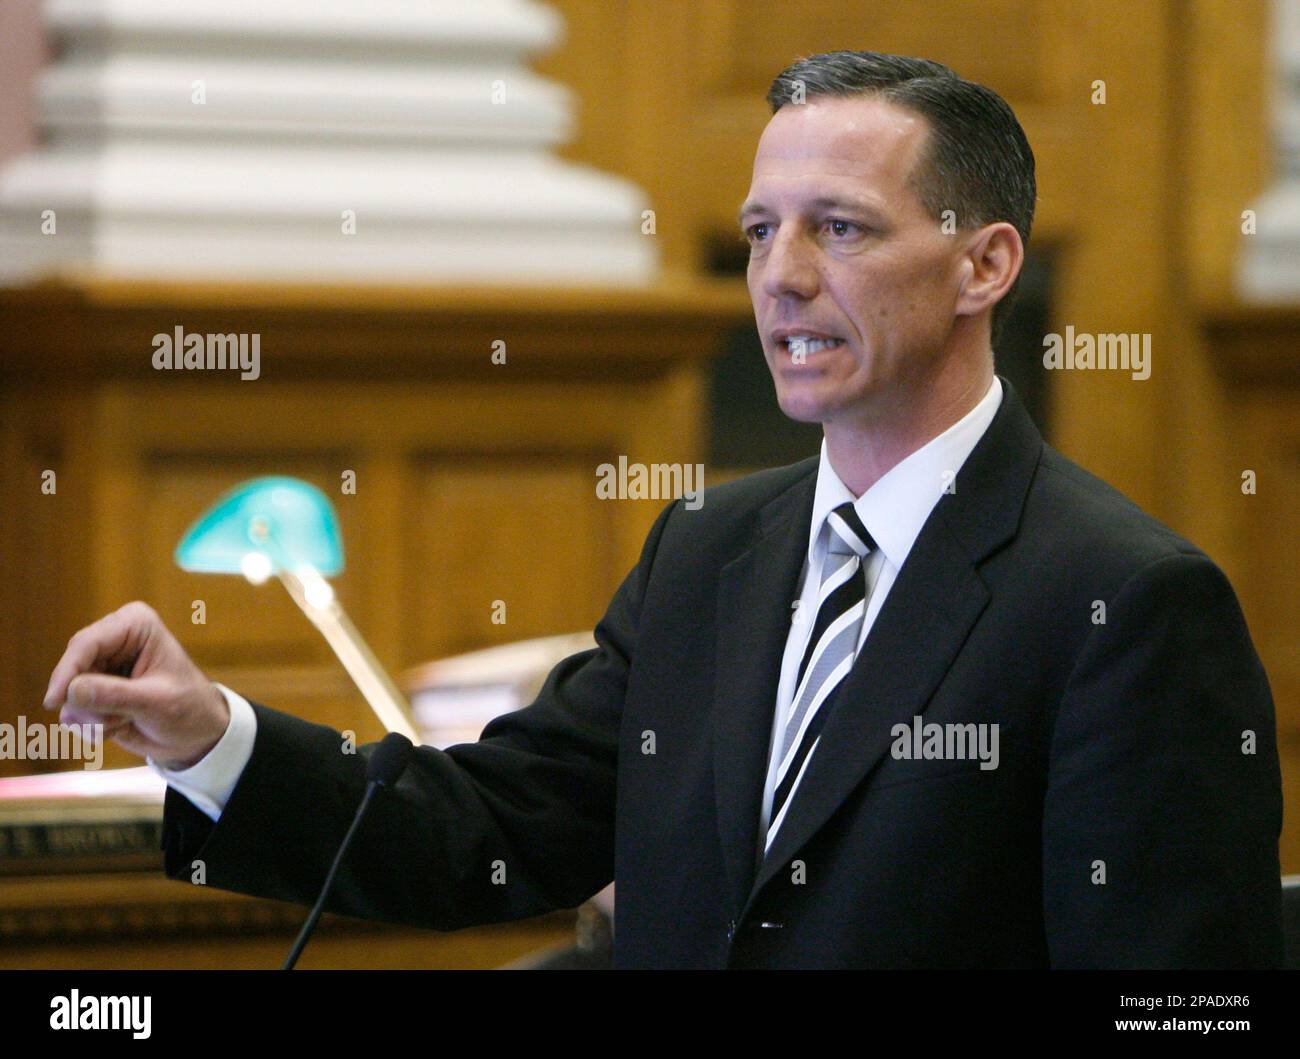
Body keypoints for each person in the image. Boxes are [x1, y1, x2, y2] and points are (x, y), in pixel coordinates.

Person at [44, 50, 1283, 968]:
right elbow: (494, 827)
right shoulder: (708, 554)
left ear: (984, 264)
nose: (781, 278)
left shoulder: (1124, 602)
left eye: (838, 229)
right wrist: (210, 735)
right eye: (759, 232)